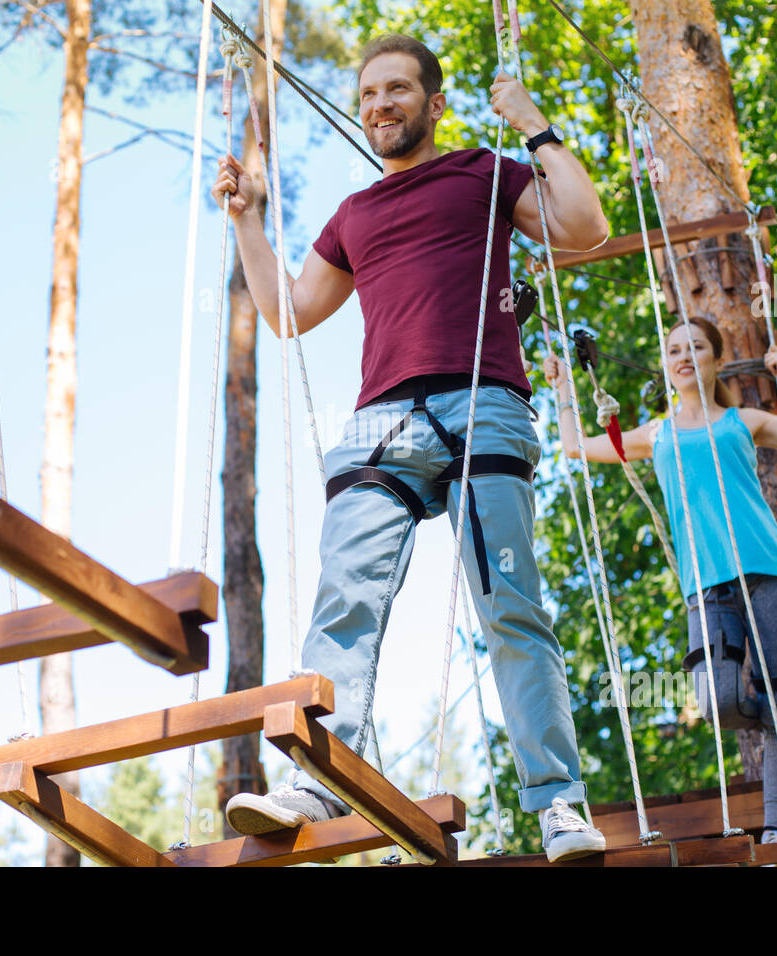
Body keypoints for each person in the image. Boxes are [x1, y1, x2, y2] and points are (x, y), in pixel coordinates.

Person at [211, 33, 611, 862]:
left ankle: (560, 805)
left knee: (512, 610)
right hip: (379, 421)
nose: (379, 106)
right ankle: (315, 780)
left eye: (396, 91)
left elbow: (584, 224)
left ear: (433, 104)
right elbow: (288, 311)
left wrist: (532, 121)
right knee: (342, 602)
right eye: (367, 96)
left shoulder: (481, 173)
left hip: (484, 404)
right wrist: (248, 218)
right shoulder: (354, 214)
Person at [543, 316, 777, 842]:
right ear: (666, 363)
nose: (685, 356)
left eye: (697, 347)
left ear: (716, 359)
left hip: (772, 577)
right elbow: (576, 448)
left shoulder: (742, 421)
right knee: (717, 703)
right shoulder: (655, 434)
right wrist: (564, 389)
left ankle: (776, 829)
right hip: (708, 591)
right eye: (675, 349)